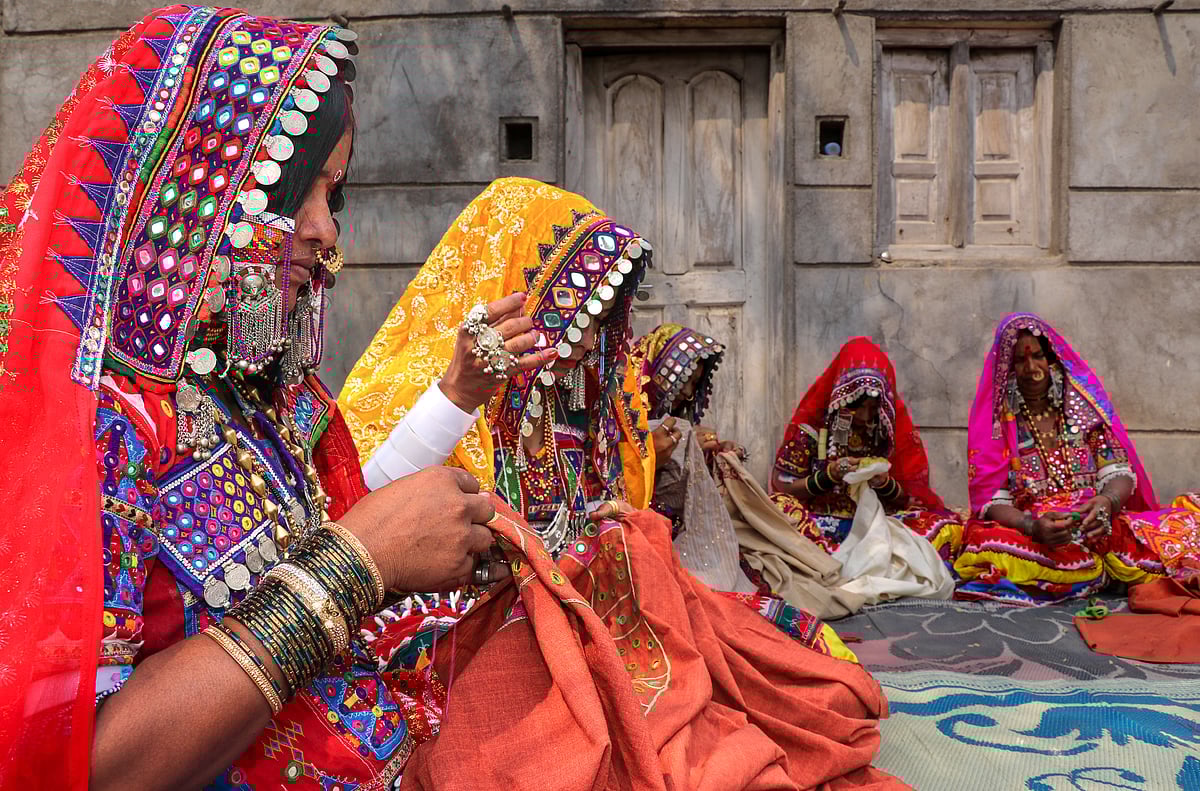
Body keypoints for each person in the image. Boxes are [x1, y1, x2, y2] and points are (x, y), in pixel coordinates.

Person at [0, 9, 511, 789]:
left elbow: (353, 538)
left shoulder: (262, 392)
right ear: (194, 191)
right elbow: (92, 765)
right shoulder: (97, 427)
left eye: (331, 194)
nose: (325, 230)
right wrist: (356, 562)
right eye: (291, 189)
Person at [340, 178, 909, 789]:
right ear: (524, 293)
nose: (588, 339)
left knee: (716, 614)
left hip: (562, 598)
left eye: (599, 319)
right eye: (579, 313)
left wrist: (595, 535)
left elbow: (581, 512)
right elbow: (369, 528)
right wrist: (457, 406)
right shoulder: (428, 397)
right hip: (452, 618)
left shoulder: (570, 400)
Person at [957, 312, 1200, 604]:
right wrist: (1033, 527)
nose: (1031, 368)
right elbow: (992, 501)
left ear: (1052, 359)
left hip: (1098, 525)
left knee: (1188, 522)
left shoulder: (1081, 408)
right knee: (985, 544)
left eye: (1038, 356)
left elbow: (1118, 471)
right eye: (1020, 360)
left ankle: (1090, 571)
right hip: (1038, 534)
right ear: (1008, 369)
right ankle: (1094, 572)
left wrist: (1107, 502)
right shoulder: (998, 424)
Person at [769, 338, 963, 565]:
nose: (863, 416)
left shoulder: (885, 430)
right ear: (840, 397)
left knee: (945, 526)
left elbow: (910, 498)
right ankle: (851, 561)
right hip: (821, 524)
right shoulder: (813, 428)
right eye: (855, 406)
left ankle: (859, 560)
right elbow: (784, 485)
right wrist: (828, 476)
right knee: (779, 509)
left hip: (876, 524)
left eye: (872, 409)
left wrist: (885, 484)